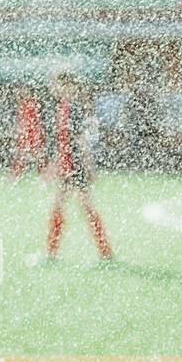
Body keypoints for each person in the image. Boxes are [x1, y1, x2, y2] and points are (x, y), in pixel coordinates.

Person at [45, 71, 112, 263]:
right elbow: (64, 141)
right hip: (70, 165)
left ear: (65, 86)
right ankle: (104, 252)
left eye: (55, 85)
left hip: (74, 166)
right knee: (75, 207)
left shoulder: (72, 107)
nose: (53, 89)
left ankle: (52, 252)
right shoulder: (65, 107)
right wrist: (56, 163)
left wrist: (86, 164)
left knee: (77, 207)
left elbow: (79, 140)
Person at [10, 86, 46, 179]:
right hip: (29, 133)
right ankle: (18, 174)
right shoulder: (25, 104)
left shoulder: (30, 104)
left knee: (31, 155)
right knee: (26, 155)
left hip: (31, 133)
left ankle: (42, 174)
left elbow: (32, 121)